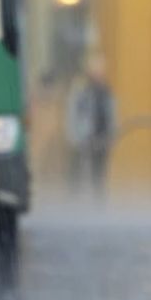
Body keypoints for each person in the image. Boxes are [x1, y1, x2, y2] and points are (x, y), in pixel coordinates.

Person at [65, 54, 117, 201]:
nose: (98, 74)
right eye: (96, 71)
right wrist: (74, 137)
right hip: (84, 138)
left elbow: (112, 115)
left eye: (101, 71)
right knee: (79, 174)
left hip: (101, 139)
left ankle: (98, 201)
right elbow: (72, 114)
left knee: (98, 174)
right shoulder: (81, 91)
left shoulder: (107, 92)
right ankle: (76, 201)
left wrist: (111, 136)